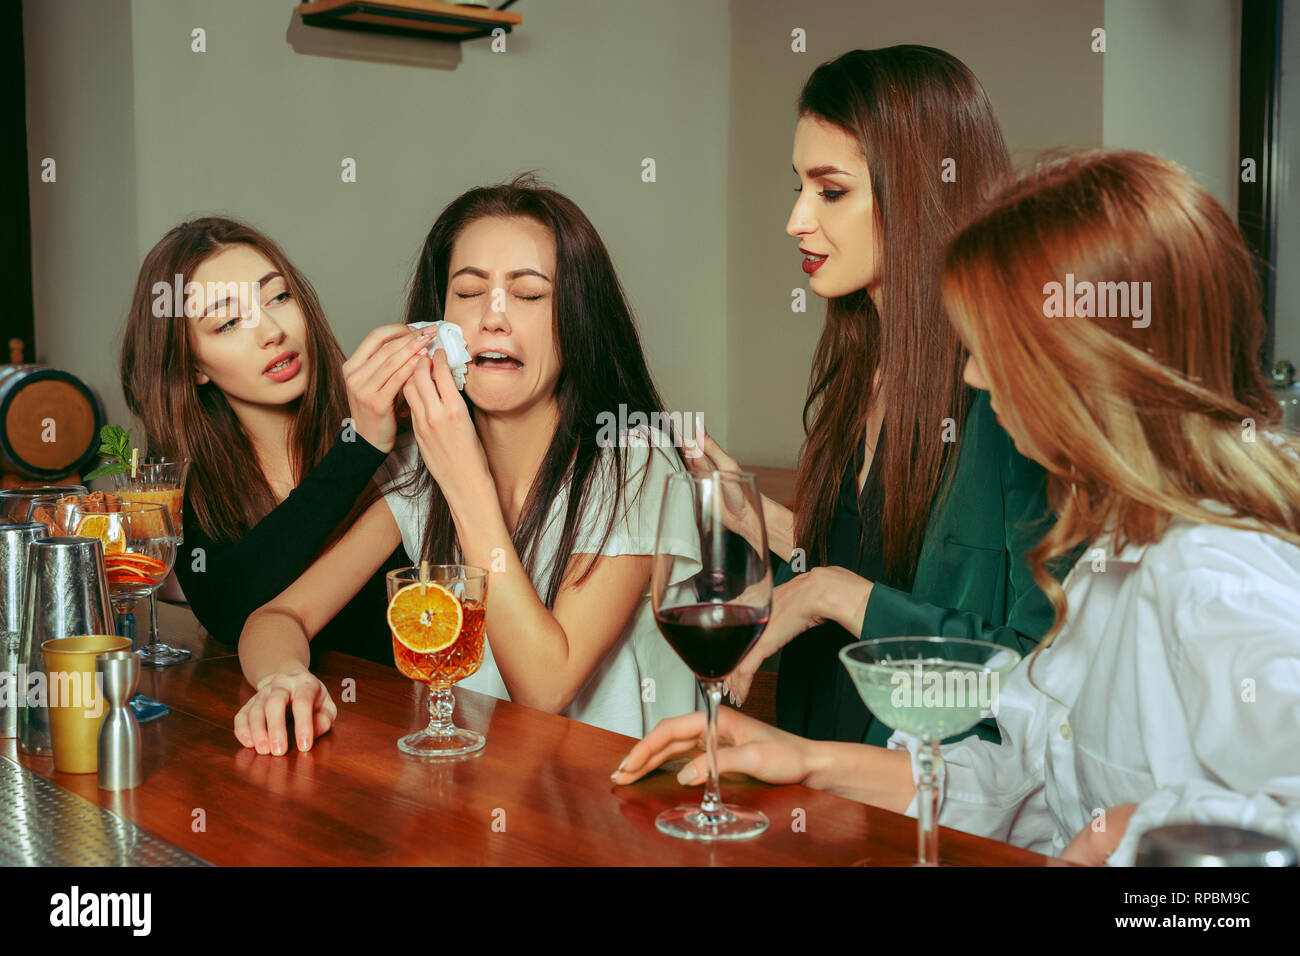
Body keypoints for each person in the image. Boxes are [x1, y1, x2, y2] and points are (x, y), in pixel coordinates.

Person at [613, 150, 1300, 865]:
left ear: (1084, 358)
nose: (970, 373)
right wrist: (811, 762)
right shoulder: (1110, 552)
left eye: (990, 346)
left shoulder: (1212, 571)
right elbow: (1032, 782)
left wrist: (1125, 836)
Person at [232, 176, 703, 755]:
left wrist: (464, 479)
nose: (493, 318)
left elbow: (545, 687)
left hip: (611, 818)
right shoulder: (416, 465)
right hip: (481, 809)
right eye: (468, 291)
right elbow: (275, 617)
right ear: (437, 324)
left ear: (577, 318)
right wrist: (285, 678)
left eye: (529, 294)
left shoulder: (635, 464)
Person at [691, 46, 1061, 747]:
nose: (796, 220)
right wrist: (768, 525)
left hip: (940, 810)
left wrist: (830, 592)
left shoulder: (1013, 396)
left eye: (830, 191)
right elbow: (892, 565)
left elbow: (1041, 676)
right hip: (826, 782)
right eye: (798, 186)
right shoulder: (863, 359)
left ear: (920, 191)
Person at [120, 217, 423, 662]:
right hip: (284, 717)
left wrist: (369, 440)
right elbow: (227, 610)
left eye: (278, 297)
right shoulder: (184, 477)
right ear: (192, 367)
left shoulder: (392, 424)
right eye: (227, 323)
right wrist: (358, 448)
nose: (271, 331)